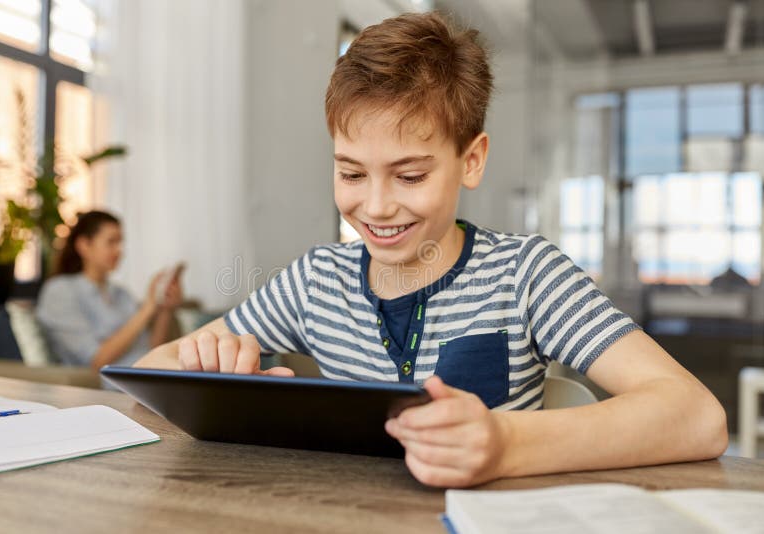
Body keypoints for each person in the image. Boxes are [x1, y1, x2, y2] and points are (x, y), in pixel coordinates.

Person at [134, 12, 727, 487]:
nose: (377, 206)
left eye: (410, 176)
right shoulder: (317, 280)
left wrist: (505, 444)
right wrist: (209, 362)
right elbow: (148, 373)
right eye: (351, 173)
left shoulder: (524, 274)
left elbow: (697, 417)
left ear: (471, 160)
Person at [37, 210, 183, 370]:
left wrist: (165, 309)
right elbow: (96, 360)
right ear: (84, 245)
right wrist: (148, 308)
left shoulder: (121, 294)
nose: (119, 250)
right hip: (118, 383)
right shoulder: (60, 291)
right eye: (111, 242)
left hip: (150, 372)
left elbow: (151, 350)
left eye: (120, 242)